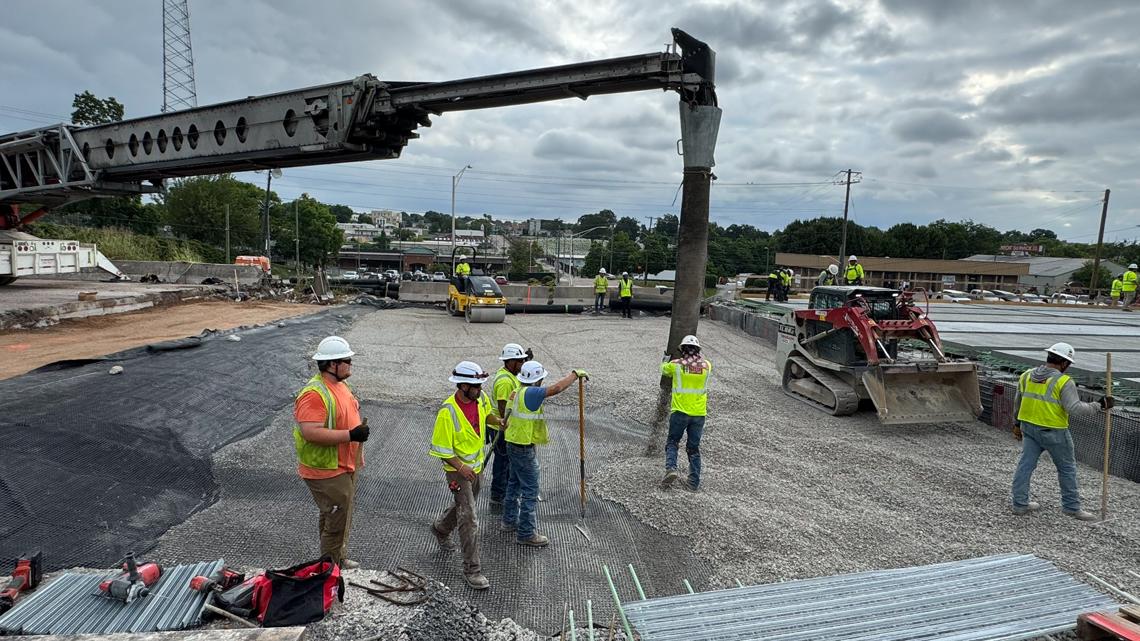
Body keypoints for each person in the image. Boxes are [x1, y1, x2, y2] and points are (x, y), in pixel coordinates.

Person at [1010, 342, 1113, 521]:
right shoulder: (1064, 381)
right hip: (1054, 432)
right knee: (1066, 468)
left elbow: (1018, 402)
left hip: (1029, 428)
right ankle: (1071, 507)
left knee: (1025, 466)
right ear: (1065, 363)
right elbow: (1075, 409)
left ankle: (1019, 504)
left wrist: (1016, 424)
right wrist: (1100, 405)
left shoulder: (1027, 375)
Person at [428, 361, 507, 590]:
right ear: (462, 386)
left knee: (464, 507)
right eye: (476, 386)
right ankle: (472, 570)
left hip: (476, 467)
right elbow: (442, 450)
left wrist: (498, 421)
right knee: (469, 517)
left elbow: (486, 415)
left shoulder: (480, 399)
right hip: (457, 472)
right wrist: (460, 467)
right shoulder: (447, 412)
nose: (480, 390)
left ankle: (441, 528)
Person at [293, 336, 370, 569]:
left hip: (341, 465)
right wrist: (351, 435)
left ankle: (334, 558)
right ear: (332, 364)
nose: (350, 365)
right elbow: (310, 432)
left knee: (333, 515)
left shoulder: (340, 385)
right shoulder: (314, 394)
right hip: (325, 469)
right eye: (347, 361)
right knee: (337, 517)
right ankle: (329, 570)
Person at [501, 361, 589, 547]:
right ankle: (526, 533)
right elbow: (556, 388)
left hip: (513, 444)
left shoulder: (517, 391)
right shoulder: (531, 393)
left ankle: (509, 522)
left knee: (514, 484)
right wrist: (574, 374)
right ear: (536, 379)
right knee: (530, 490)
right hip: (522, 448)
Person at [661, 335, 712, 491]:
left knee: (673, 442)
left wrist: (665, 358)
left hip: (680, 412)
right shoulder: (707, 366)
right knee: (693, 448)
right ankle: (693, 482)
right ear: (698, 350)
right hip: (699, 414)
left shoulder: (676, 365)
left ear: (683, 350)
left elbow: (663, 369)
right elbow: (698, 365)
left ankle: (671, 469)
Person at [488, 343, 527, 506]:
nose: (522, 364)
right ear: (510, 362)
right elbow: (504, 409)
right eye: (520, 361)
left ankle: (502, 490)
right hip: (501, 427)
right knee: (502, 461)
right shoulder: (505, 382)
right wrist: (511, 427)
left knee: (505, 461)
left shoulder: (509, 375)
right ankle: (498, 494)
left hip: (504, 427)